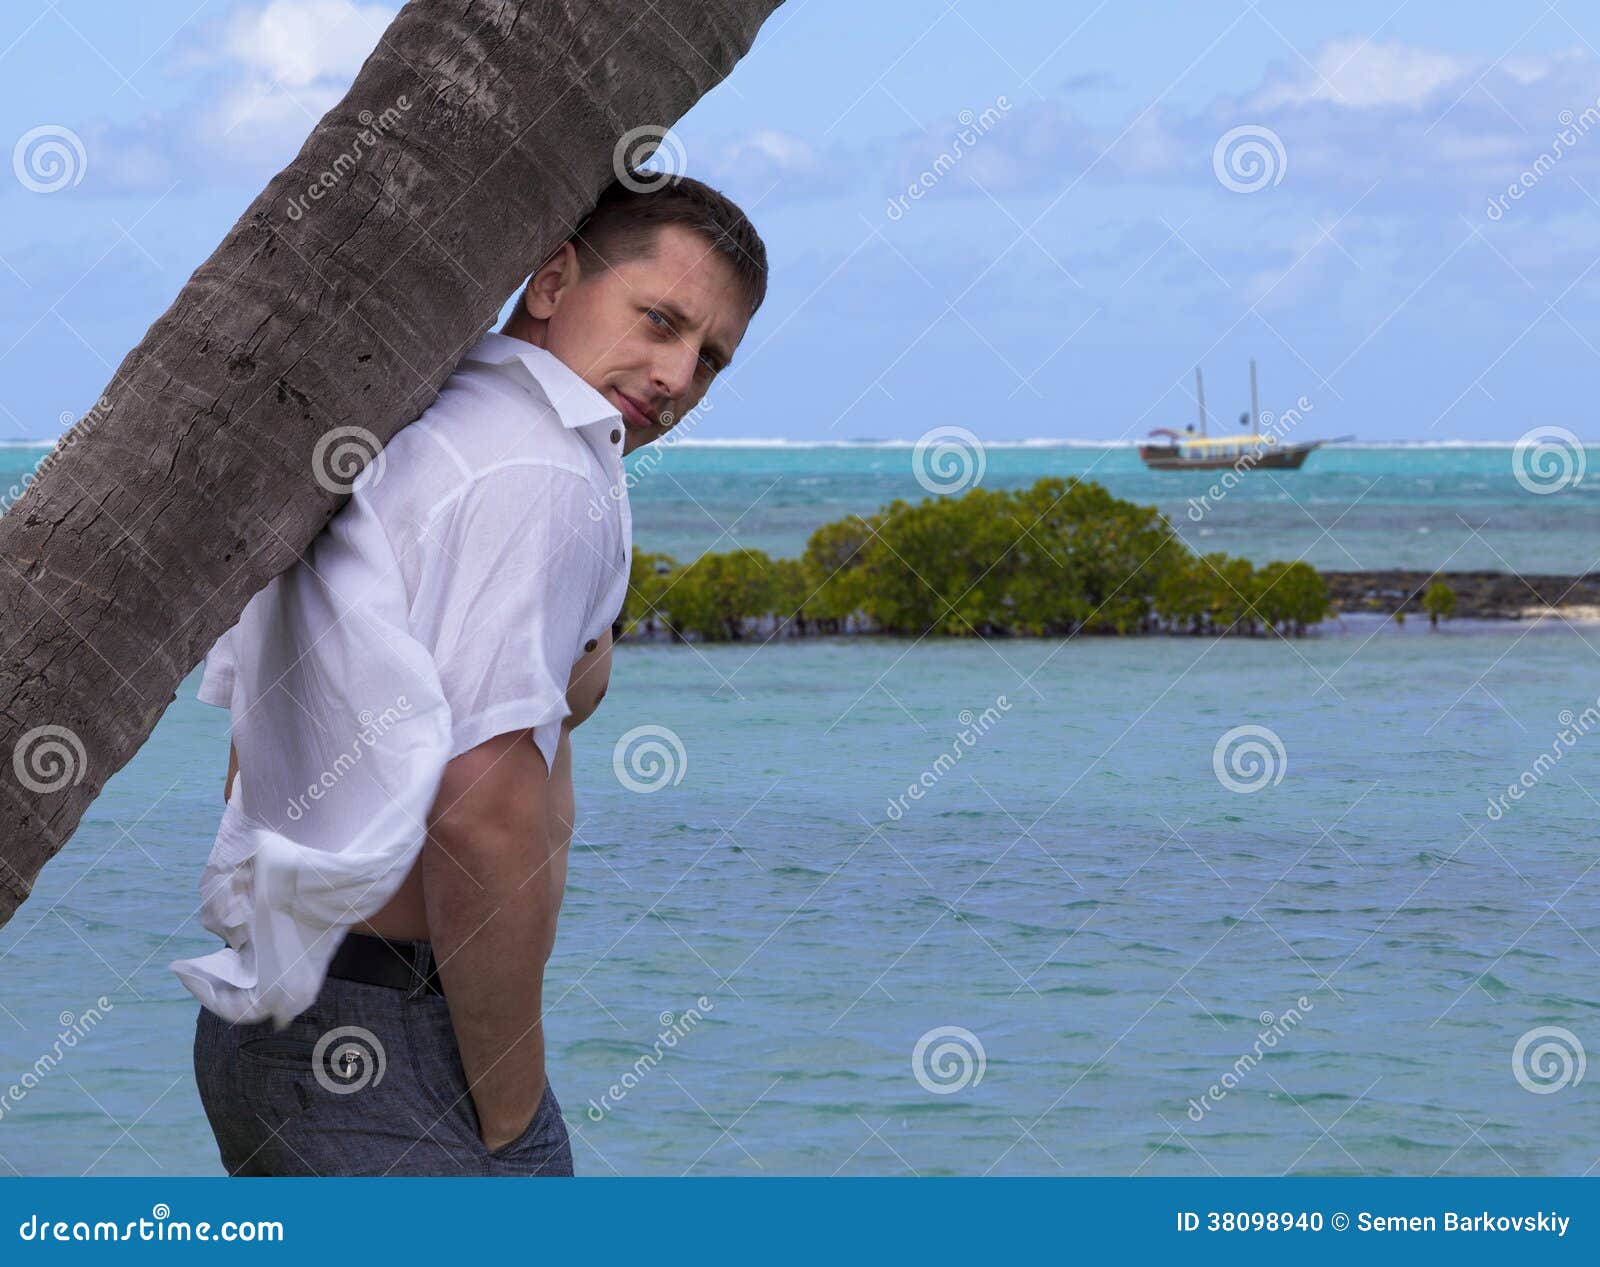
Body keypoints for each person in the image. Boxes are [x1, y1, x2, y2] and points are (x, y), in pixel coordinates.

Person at [173, 173, 767, 1176]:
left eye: (708, 358)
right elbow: (481, 810)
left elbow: (263, 736)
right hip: (387, 1030)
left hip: (277, 1017)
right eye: (659, 320)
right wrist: (510, 1104)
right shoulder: (539, 470)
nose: (675, 376)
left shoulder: (422, 416)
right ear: (552, 280)